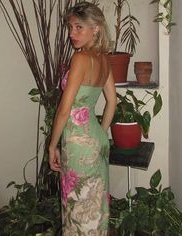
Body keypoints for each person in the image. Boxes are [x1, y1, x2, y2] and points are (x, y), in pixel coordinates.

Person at [49, 2, 116, 235]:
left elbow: (64, 110)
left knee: (78, 207)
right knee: (95, 204)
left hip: (77, 144)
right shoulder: (104, 60)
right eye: (70, 27)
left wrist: (51, 146)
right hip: (97, 140)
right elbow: (112, 102)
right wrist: (100, 132)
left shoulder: (80, 59)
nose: (71, 34)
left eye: (79, 27)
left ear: (96, 28)